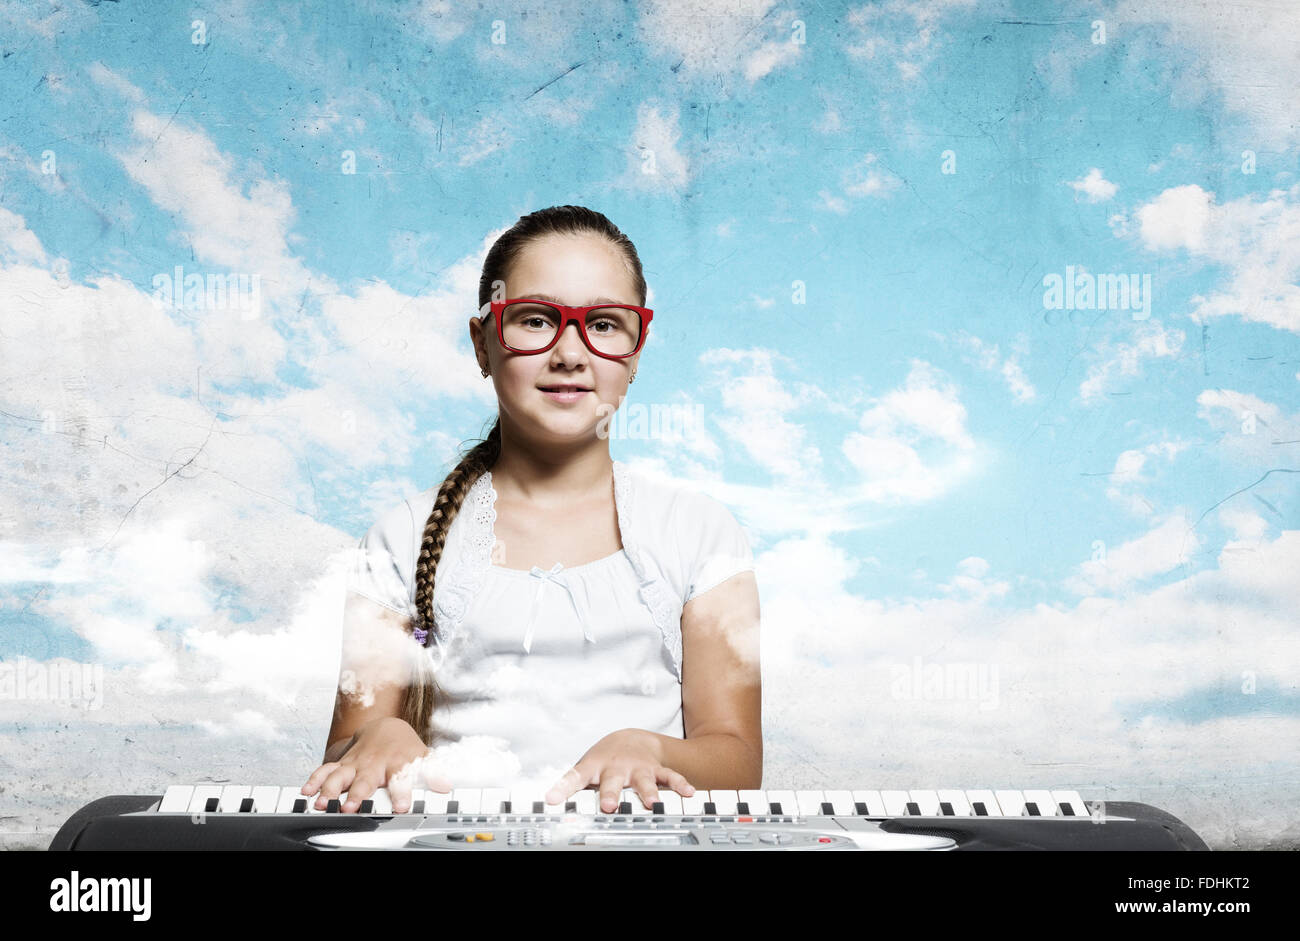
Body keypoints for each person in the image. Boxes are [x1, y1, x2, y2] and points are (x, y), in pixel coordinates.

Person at [301, 205, 762, 816]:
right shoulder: (399, 536)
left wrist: (652, 749)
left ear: (637, 349)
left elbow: (738, 761)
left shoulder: (702, 533)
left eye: (603, 324)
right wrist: (376, 736)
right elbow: (343, 751)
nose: (569, 354)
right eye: (536, 319)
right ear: (483, 343)